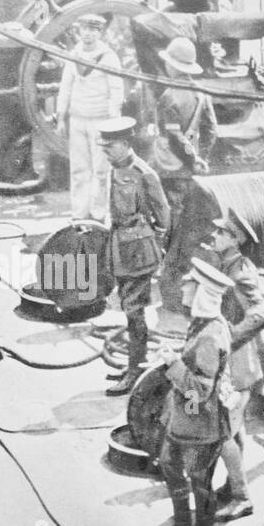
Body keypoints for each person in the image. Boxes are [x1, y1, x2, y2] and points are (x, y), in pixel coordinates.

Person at [151, 256, 236, 526]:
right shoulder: (202, 324)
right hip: (183, 421)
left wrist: (173, 363)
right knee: (171, 466)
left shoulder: (211, 335)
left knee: (201, 484)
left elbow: (200, 391)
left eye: (190, 281)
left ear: (201, 291)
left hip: (202, 426)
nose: (184, 283)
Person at [98, 117, 170, 396]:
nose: (106, 152)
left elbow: (163, 214)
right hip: (119, 245)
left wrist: (157, 245)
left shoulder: (144, 173)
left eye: (110, 147)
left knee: (133, 310)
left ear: (126, 144)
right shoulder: (115, 169)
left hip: (139, 250)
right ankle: (133, 364)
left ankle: (135, 371)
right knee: (129, 309)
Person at [205, 209, 264, 520]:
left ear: (234, 240)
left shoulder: (240, 274)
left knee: (223, 432)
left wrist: (228, 337)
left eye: (220, 232)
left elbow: (259, 315)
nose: (214, 236)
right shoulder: (233, 265)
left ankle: (242, 497)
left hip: (238, 363)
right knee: (235, 426)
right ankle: (232, 486)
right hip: (237, 360)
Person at [150, 35, 219, 311]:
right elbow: (212, 130)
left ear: (174, 67)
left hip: (170, 169)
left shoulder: (169, 96)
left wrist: (190, 159)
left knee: (168, 222)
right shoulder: (201, 93)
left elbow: (174, 135)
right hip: (191, 171)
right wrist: (201, 158)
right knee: (185, 224)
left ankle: (166, 277)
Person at [56, 13, 123, 222]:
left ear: (100, 32)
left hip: (101, 121)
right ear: (79, 30)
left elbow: (116, 90)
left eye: (93, 30)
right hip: (77, 120)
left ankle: (98, 215)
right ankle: (79, 214)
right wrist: (61, 117)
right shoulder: (74, 55)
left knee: (101, 171)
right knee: (79, 170)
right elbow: (65, 87)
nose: (88, 34)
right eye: (85, 29)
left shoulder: (109, 57)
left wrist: (113, 122)